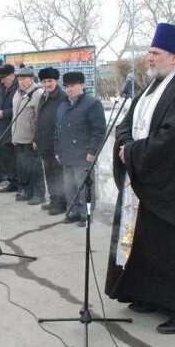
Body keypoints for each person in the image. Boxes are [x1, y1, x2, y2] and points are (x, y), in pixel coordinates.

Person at [105, 23, 175, 334]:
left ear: (173, 57)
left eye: (154, 53)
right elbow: (128, 123)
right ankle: (151, 295)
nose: (148, 58)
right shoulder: (153, 87)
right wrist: (124, 144)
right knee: (151, 244)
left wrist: (132, 152)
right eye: (149, 53)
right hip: (151, 182)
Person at [54, 71, 105, 227]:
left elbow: (99, 130)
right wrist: (57, 150)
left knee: (84, 186)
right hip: (66, 154)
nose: (69, 89)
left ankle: (86, 214)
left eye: (73, 85)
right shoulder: (63, 105)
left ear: (82, 85)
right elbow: (57, 130)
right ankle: (74, 212)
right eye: (67, 86)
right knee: (69, 187)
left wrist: (92, 151)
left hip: (83, 154)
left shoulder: (92, 103)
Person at [33, 67, 67, 215]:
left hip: (57, 144)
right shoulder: (43, 96)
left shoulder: (62, 97)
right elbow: (39, 119)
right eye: (44, 81)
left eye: (50, 81)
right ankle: (53, 199)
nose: (47, 84)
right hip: (44, 142)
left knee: (58, 175)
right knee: (49, 173)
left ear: (56, 81)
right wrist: (36, 138)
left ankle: (61, 204)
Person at [11, 67, 45, 204]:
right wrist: (13, 135)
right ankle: (28, 191)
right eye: (19, 79)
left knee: (35, 168)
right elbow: (15, 116)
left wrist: (36, 138)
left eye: (24, 79)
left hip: (31, 139)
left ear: (31, 79)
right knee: (23, 167)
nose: (21, 82)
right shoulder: (18, 93)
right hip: (19, 137)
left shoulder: (38, 93)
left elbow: (39, 119)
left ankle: (39, 194)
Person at [0, 64, 19, 192]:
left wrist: (4, 113)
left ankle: (19, 183)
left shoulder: (18, 88)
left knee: (16, 158)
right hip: (2, 126)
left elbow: (19, 108)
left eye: (5, 78)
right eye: (1, 78)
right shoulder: (0, 88)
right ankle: (12, 181)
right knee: (7, 157)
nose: (2, 80)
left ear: (12, 75)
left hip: (15, 126)